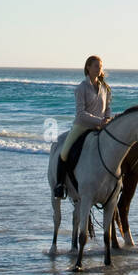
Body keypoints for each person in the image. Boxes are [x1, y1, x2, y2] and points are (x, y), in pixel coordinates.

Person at [53, 56, 112, 199]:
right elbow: (81, 113)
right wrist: (100, 121)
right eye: (96, 66)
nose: (99, 69)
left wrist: (108, 119)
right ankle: (60, 185)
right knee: (64, 152)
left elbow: (108, 108)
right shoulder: (81, 88)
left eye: (100, 66)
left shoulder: (105, 88)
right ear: (88, 68)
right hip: (82, 126)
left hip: (100, 127)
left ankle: (115, 184)